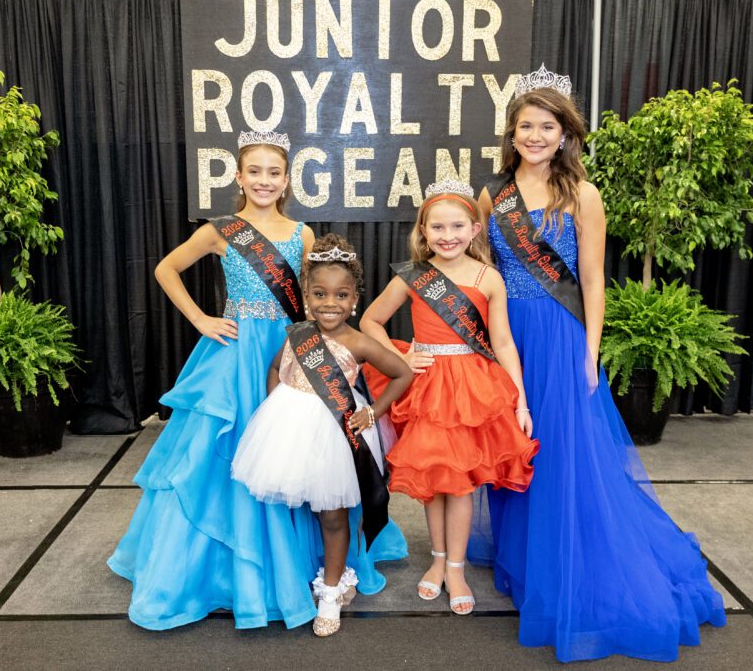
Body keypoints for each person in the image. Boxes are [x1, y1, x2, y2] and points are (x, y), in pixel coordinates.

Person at [475, 66, 726, 662]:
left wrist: (590, 352)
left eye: (548, 125)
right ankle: (528, 558)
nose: (535, 135)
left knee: (563, 454)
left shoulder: (582, 194)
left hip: (560, 339)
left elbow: (591, 279)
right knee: (516, 444)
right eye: (525, 126)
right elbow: (481, 277)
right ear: (511, 134)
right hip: (510, 340)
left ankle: (570, 566)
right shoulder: (492, 196)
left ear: (565, 134)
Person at [108, 130, 405, 631]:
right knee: (226, 455)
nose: (264, 181)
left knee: (304, 457)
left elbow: (317, 298)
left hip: (295, 350)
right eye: (255, 171)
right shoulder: (219, 229)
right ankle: (225, 572)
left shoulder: (302, 233)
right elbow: (165, 269)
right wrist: (202, 319)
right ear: (239, 176)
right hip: (238, 354)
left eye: (274, 172)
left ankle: (313, 568)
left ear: (287, 180)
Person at [360, 180, 539, 616]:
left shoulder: (488, 277)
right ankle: (437, 562)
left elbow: (503, 342)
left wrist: (520, 402)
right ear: (423, 231)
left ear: (475, 229)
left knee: (459, 486)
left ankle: (455, 567)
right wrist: (404, 354)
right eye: (437, 227)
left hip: (472, 388)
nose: (447, 235)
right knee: (432, 485)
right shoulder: (414, 275)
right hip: (428, 387)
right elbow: (370, 320)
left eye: (457, 226)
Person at [232, 233, 413, 636]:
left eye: (341, 295)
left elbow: (404, 373)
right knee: (308, 510)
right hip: (290, 428)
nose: (329, 304)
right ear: (307, 296)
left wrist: (372, 412)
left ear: (354, 300)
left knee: (332, 515)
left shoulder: (360, 342)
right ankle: (320, 576)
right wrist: (274, 405)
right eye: (319, 294)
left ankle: (331, 590)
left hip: (336, 432)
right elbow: (276, 369)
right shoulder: (297, 333)